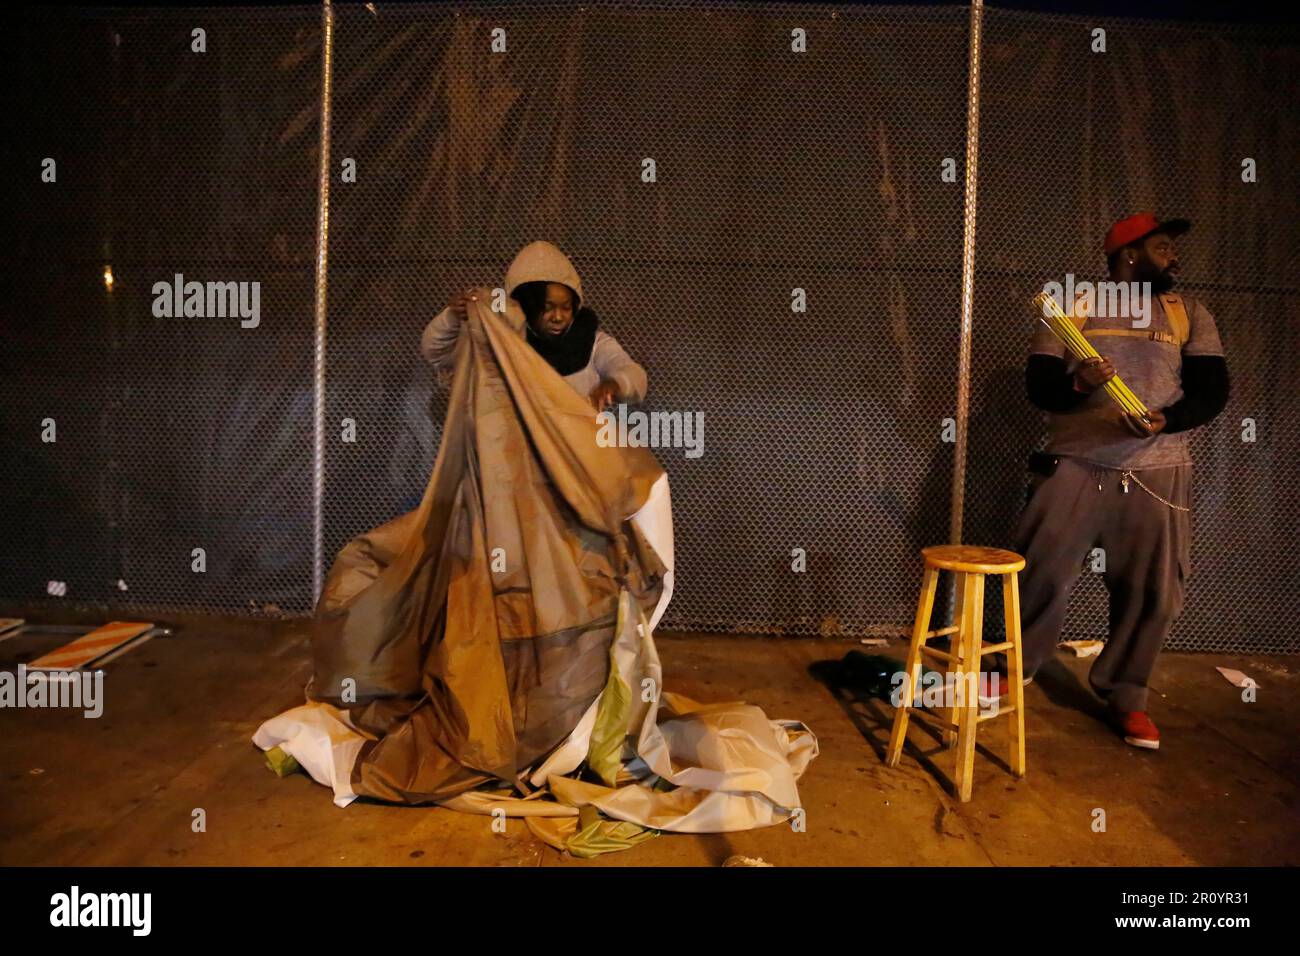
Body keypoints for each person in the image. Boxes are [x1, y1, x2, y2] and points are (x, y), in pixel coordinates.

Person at [1012, 212, 1230, 750]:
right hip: (1075, 464)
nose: (1173, 257)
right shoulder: (1070, 308)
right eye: (1162, 248)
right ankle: (1013, 671)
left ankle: (1127, 696)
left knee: (1155, 592)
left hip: (1159, 470)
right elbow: (1041, 389)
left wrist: (1166, 421)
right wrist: (1081, 382)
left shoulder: (1189, 314)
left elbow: (1211, 392)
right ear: (1129, 255)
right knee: (1037, 574)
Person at [420, 240, 647, 410]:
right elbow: (436, 353)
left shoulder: (593, 342)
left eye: (566, 307)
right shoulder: (500, 340)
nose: (558, 317)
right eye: (547, 308)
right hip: (515, 461)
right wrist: (452, 317)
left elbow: (633, 374)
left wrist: (615, 384)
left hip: (576, 461)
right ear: (526, 306)